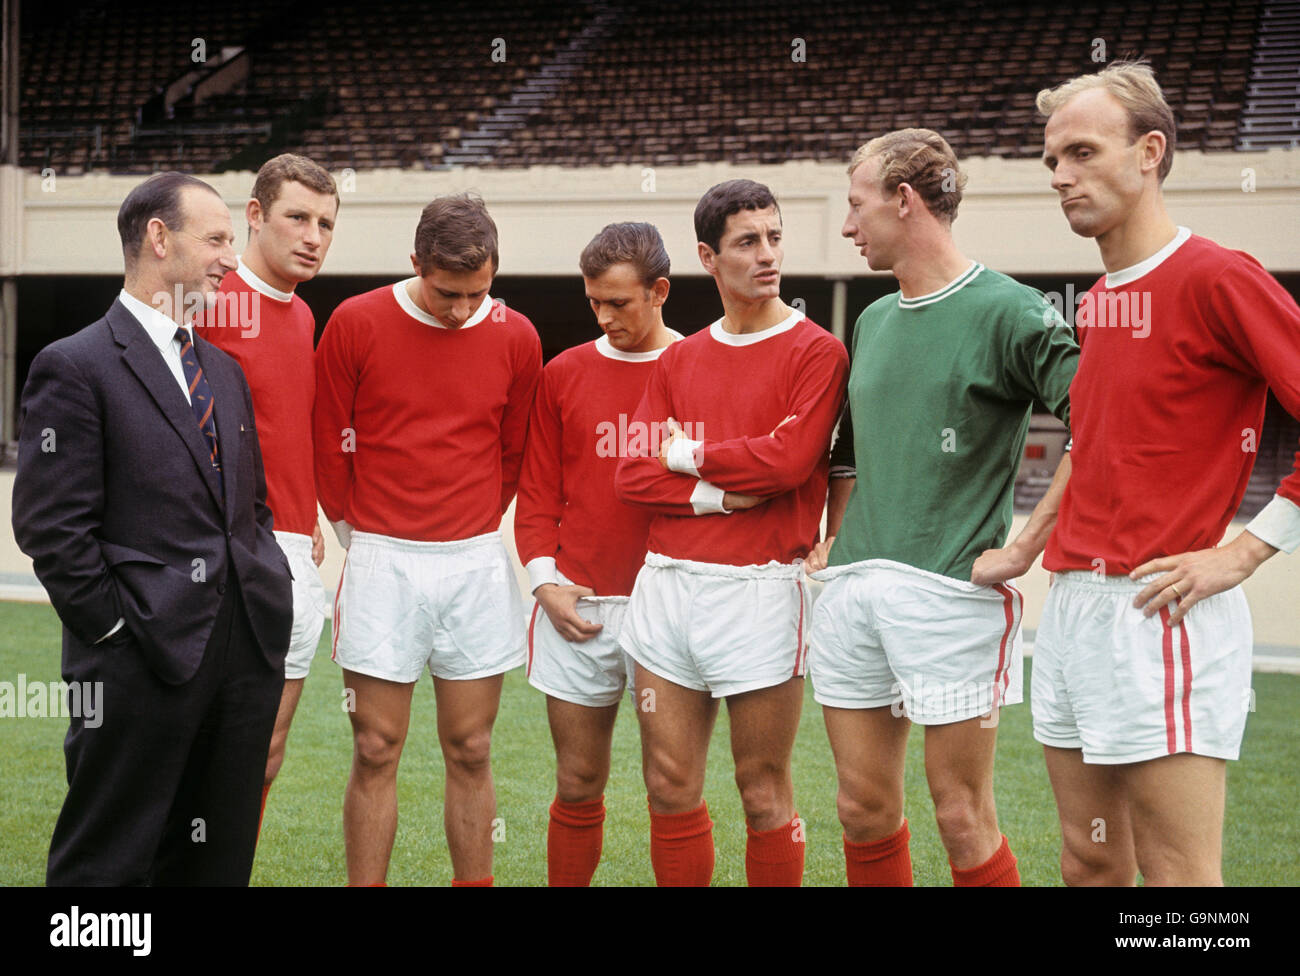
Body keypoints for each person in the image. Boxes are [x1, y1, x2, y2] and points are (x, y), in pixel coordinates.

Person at [1034, 61, 1300, 885]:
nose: (1060, 176)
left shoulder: (1220, 277)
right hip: (1072, 605)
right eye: (1051, 160)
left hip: (1160, 614)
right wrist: (1024, 550)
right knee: (1089, 863)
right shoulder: (1099, 297)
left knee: (1180, 877)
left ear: (1151, 151)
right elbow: (1097, 448)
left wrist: (1249, 549)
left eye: (1081, 152)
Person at [804, 129, 1079, 887]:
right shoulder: (872, 319)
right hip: (855, 589)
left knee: (960, 814)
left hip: (951, 596)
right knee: (860, 808)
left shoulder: (1013, 311)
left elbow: (1104, 424)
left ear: (904, 200)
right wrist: (839, 536)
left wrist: (1026, 548)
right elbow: (851, 453)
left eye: (856, 206)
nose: (848, 226)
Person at [12, 172, 294, 885]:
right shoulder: (74, 366)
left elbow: (251, 508)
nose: (233, 257)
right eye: (218, 239)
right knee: (107, 860)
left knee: (214, 859)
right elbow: (51, 528)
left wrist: (266, 589)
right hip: (135, 662)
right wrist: (115, 634)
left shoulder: (224, 372)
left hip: (241, 654)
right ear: (158, 238)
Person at [615, 179, 849, 886]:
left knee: (762, 789)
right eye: (748, 242)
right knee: (668, 784)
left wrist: (684, 456)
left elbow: (788, 461)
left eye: (774, 237)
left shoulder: (817, 352)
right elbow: (630, 475)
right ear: (708, 258)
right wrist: (720, 492)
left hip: (760, 590)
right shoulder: (679, 360)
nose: (768, 254)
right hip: (666, 585)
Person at [313, 193, 542, 886]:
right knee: (377, 746)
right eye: (448, 292)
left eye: (480, 291)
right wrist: (365, 533)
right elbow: (329, 443)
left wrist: (469, 524)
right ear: (415, 263)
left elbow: (513, 450)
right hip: (382, 559)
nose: (464, 308)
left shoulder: (517, 335)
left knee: (471, 746)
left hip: (474, 562)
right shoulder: (355, 322)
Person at [515, 222, 682, 886]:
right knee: (578, 779)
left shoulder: (697, 367)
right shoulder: (564, 374)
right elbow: (535, 497)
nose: (606, 316)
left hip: (667, 604)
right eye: (595, 303)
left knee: (670, 782)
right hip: (576, 608)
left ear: (660, 290)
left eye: (621, 302)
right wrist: (544, 583)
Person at [195, 153, 338, 833]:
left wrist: (304, 510)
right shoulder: (205, 303)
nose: (313, 236)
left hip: (293, 553)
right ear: (255, 215)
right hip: (225, 554)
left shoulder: (305, 316)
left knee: (264, 753)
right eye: (297, 218)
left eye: (325, 224)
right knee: (208, 752)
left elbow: (286, 427)